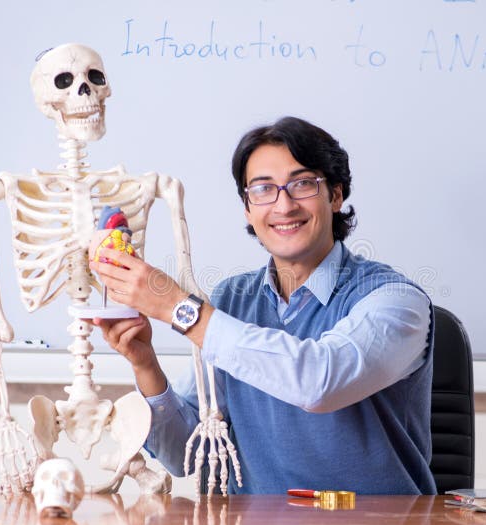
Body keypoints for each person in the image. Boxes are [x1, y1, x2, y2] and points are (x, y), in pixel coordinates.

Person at [91, 116, 436, 494]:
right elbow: (184, 456)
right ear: (247, 209)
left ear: (336, 195)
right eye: (263, 190)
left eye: (303, 184)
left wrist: (180, 308)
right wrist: (145, 364)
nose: (283, 205)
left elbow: (320, 381)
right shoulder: (231, 301)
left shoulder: (396, 301)